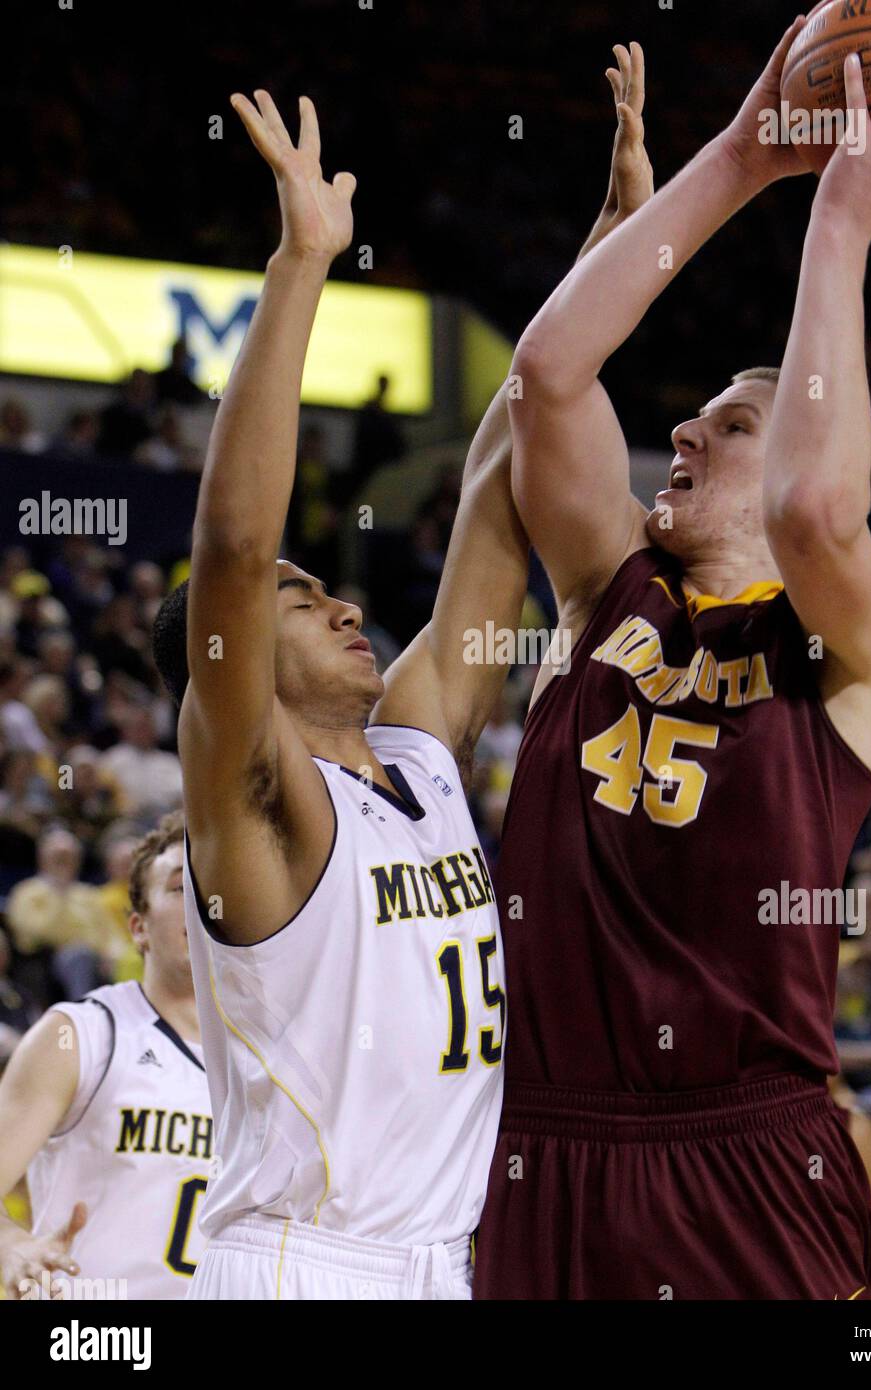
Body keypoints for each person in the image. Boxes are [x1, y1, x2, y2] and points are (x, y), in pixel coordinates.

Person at [473, 30, 871, 1299]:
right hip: (546, 1141)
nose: (685, 430)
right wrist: (747, 155)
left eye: (734, 422)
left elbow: (817, 509)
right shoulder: (606, 590)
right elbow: (546, 370)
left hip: (751, 1154)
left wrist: (843, 223)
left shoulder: (854, 643)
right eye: (694, 416)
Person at [151, 61, 651, 1302]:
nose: (345, 602)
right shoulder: (256, 793)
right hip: (301, 1266)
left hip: (442, 1262)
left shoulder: (417, 753)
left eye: (331, 587)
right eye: (301, 597)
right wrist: (301, 268)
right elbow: (226, 550)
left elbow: (498, 480)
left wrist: (611, 247)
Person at [0, 814, 212, 1301]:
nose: (204, 902)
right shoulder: (81, 1034)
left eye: (215, 887)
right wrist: (12, 1243)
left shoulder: (267, 1064)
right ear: (138, 928)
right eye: (181, 888)